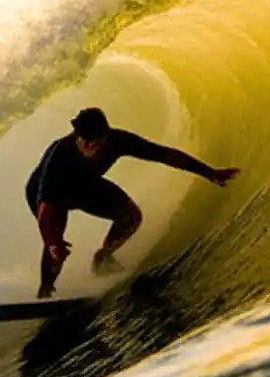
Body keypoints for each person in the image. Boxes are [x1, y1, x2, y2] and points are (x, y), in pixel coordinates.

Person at [25, 107, 240, 298]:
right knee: (56, 247)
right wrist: (53, 243)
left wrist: (209, 172)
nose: (94, 149)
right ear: (77, 138)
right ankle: (45, 290)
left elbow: (162, 154)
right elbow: (46, 213)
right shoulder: (59, 160)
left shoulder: (117, 141)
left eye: (99, 144)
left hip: (85, 186)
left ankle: (104, 257)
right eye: (88, 144)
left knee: (131, 217)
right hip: (48, 195)